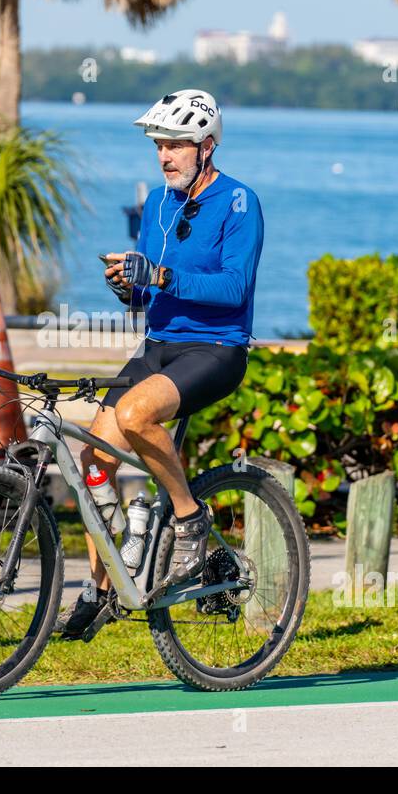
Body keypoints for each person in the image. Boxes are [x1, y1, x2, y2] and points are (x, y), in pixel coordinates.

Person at [55, 88, 265, 639]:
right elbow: (146, 297)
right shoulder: (157, 204)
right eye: (159, 146)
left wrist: (162, 276)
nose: (165, 155)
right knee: (92, 464)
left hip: (216, 349)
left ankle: (190, 517)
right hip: (159, 346)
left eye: (176, 145)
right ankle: (104, 586)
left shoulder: (241, 203)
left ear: (207, 147)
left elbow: (234, 286)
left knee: (135, 416)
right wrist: (128, 287)